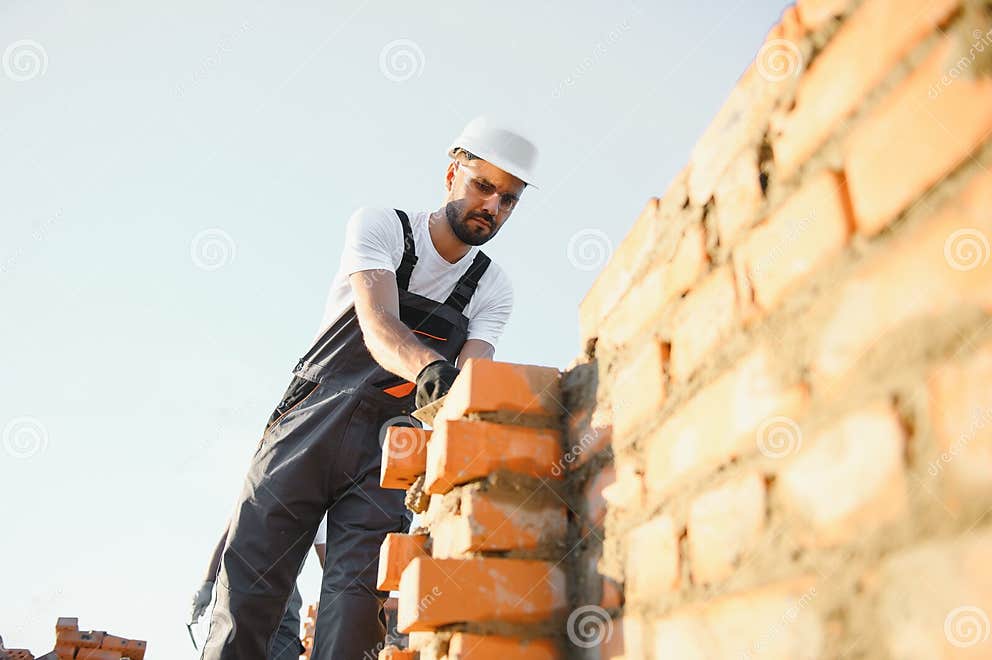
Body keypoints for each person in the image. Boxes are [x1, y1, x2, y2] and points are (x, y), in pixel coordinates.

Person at [199, 116, 538, 659]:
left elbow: (471, 380)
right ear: (453, 173)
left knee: (356, 612)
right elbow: (378, 323)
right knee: (250, 594)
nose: (492, 207)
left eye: (508, 199)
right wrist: (431, 369)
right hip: (311, 424)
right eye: (483, 186)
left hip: (388, 455)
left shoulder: (492, 287)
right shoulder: (383, 226)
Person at [189, 516, 328, 658]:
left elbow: (329, 567)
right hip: (245, 600)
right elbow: (229, 536)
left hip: (284, 611)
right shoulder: (259, 495)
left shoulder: (318, 510)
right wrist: (208, 584)